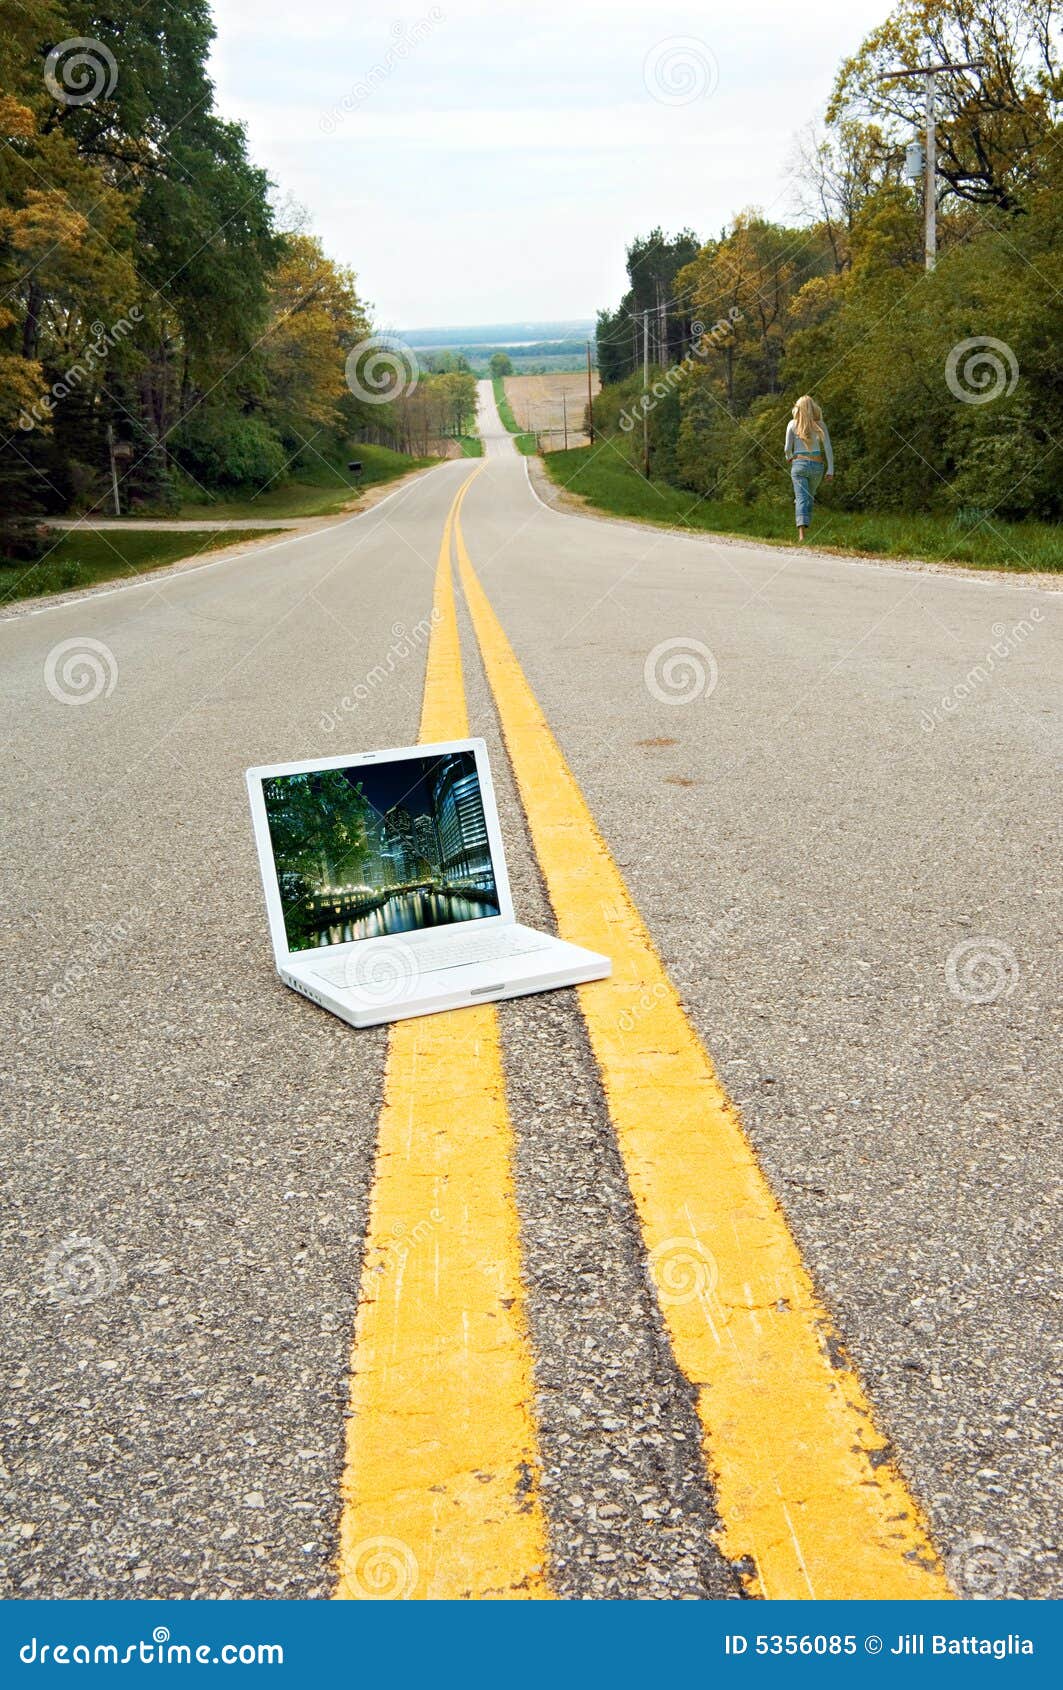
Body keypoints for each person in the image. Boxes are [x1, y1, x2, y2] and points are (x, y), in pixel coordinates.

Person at [784, 395, 833, 542]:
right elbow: (828, 448)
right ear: (813, 408)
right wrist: (831, 469)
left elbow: (787, 448)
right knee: (808, 497)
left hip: (799, 464)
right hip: (817, 466)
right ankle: (805, 527)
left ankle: (801, 535)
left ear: (798, 408)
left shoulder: (792, 424)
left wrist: (789, 457)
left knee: (801, 498)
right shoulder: (820, 425)